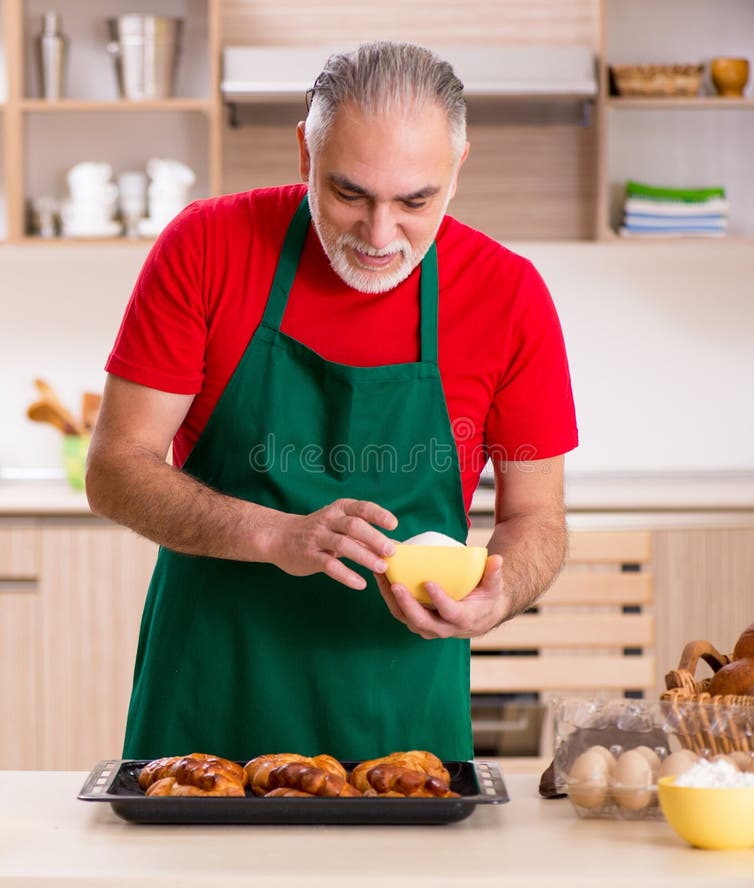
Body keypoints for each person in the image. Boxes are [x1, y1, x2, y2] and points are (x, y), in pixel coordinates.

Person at [86, 41, 578, 764]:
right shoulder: (206, 248)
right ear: (305, 156)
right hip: (210, 704)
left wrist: (496, 598)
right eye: (349, 194)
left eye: (416, 201)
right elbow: (114, 469)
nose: (380, 236)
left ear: (457, 169)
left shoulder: (508, 296)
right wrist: (275, 535)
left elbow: (537, 517)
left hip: (402, 725)